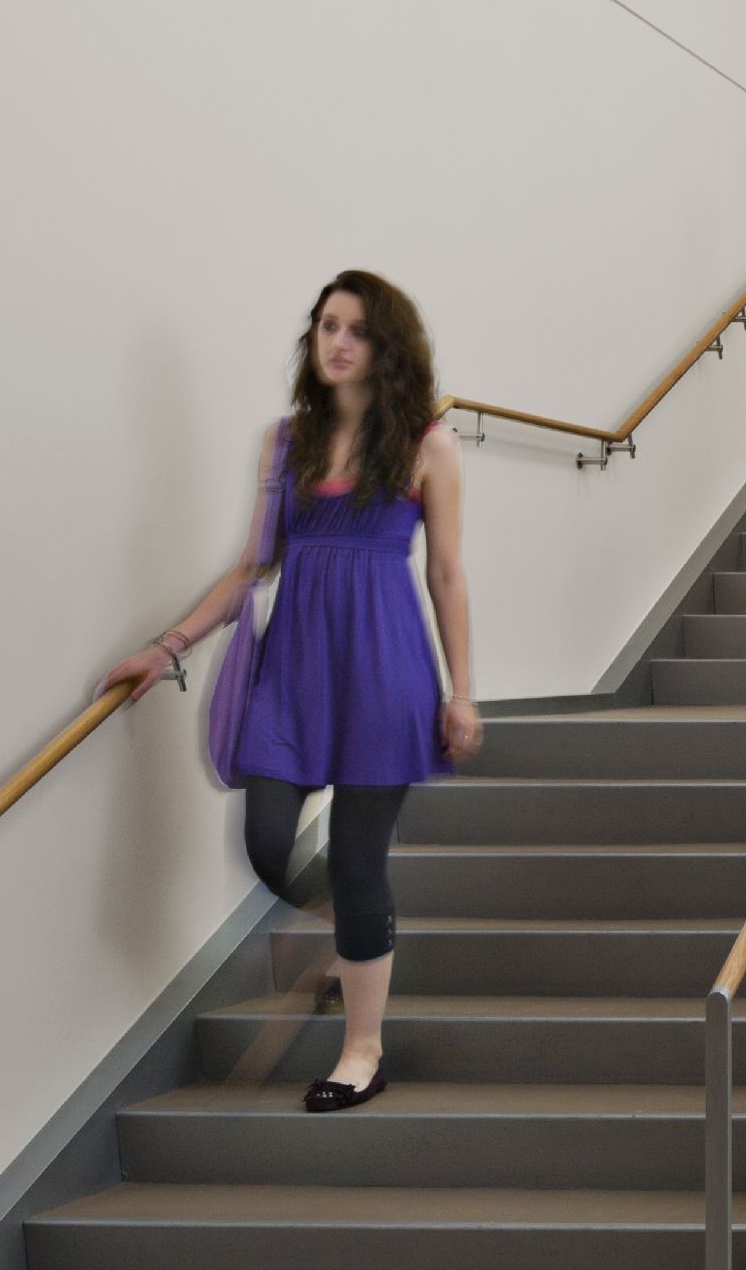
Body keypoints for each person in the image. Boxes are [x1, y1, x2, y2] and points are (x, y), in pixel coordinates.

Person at [103, 272, 481, 1111]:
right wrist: (166, 647)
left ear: (388, 347)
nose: (336, 343)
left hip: (384, 667)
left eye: (356, 330)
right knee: (268, 843)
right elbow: (252, 566)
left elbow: (448, 574)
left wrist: (462, 692)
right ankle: (361, 929)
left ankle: (362, 1050)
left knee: (355, 859)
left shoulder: (429, 446)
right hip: (296, 671)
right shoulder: (284, 443)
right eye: (326, 326)